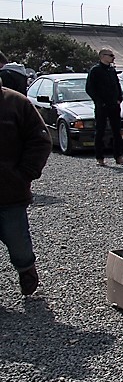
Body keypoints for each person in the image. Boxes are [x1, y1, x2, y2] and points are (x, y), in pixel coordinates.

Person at [1, 75, 52, 296]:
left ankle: (26, 271)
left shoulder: (16, 102)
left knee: (18, 242)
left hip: (9, 193)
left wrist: (25, 174)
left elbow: (40, 140)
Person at [85, 47, 123, 166]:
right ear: (103, 56)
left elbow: (117, 86)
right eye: (110, 55)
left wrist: (119, 98)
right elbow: (90, 88)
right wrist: (99, 102)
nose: (113, 58)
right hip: (102, 106)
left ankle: (118, 156)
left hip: (114, 105)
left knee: (117, 131)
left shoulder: (112, 70)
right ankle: (100, 157)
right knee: (100, 131)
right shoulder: (95, 70)